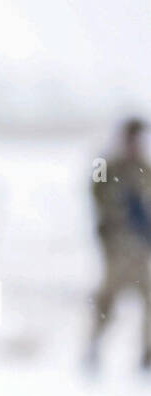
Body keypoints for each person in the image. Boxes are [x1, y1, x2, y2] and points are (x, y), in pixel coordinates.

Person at [90, 117, 151, 370]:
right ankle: (92, 348)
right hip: (116, 249)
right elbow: (95, 189)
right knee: (106, 302)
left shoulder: (143, 167)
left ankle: (147, 355)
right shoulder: (107, 164)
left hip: (139, 249)